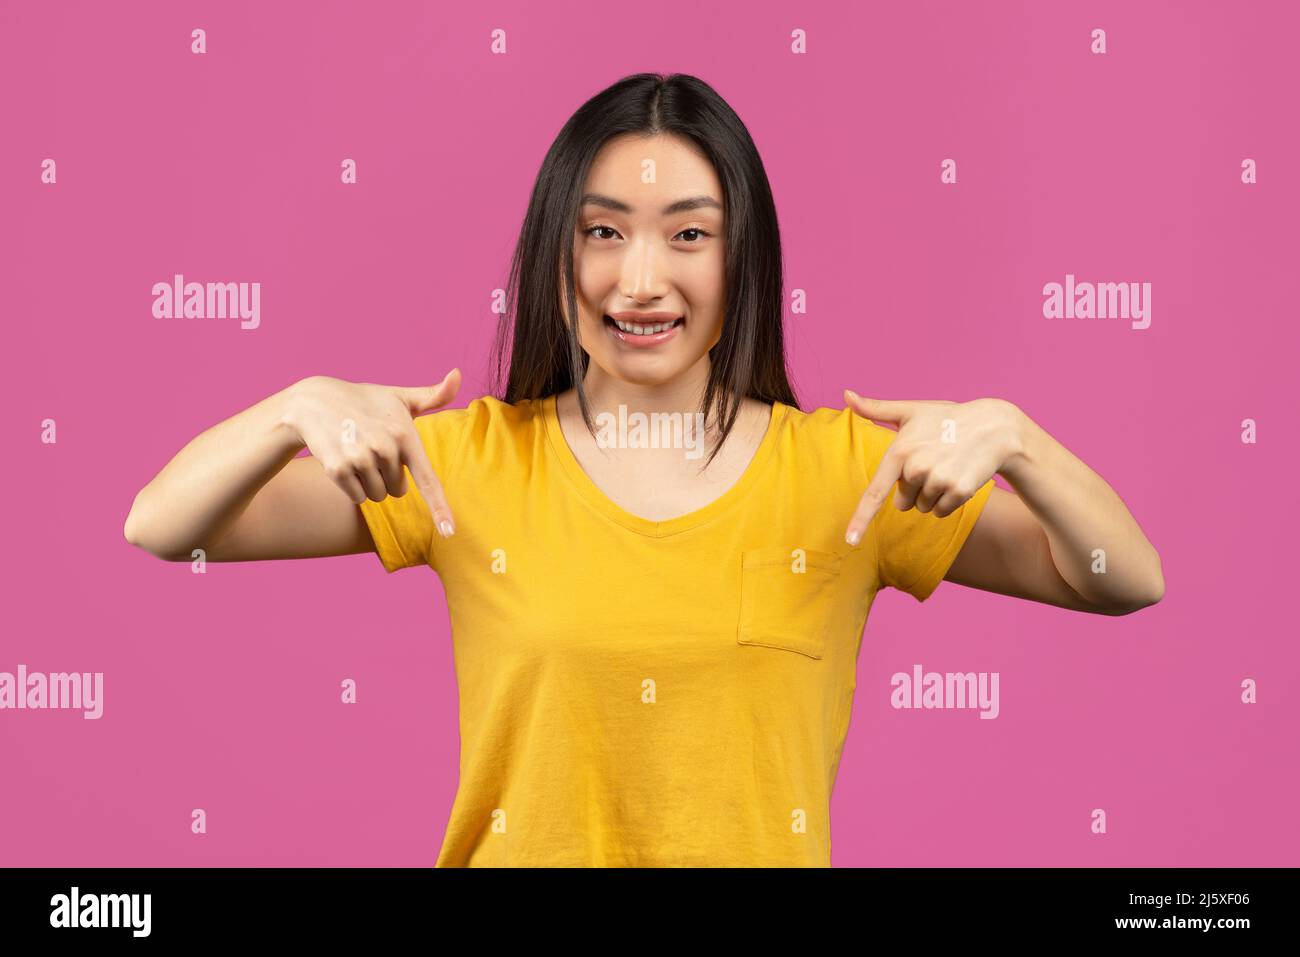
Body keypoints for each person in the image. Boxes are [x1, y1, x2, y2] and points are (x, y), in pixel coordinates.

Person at [123, 73, 1164, 867]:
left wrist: (1018, 439)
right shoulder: (469, 463)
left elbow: (1120, 580)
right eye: (603, 233)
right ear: (555, 256)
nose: (641, 278)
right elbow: (168, 526)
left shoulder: (848, 474)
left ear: (740, 258)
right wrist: (292, 406)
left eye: (689, 235)